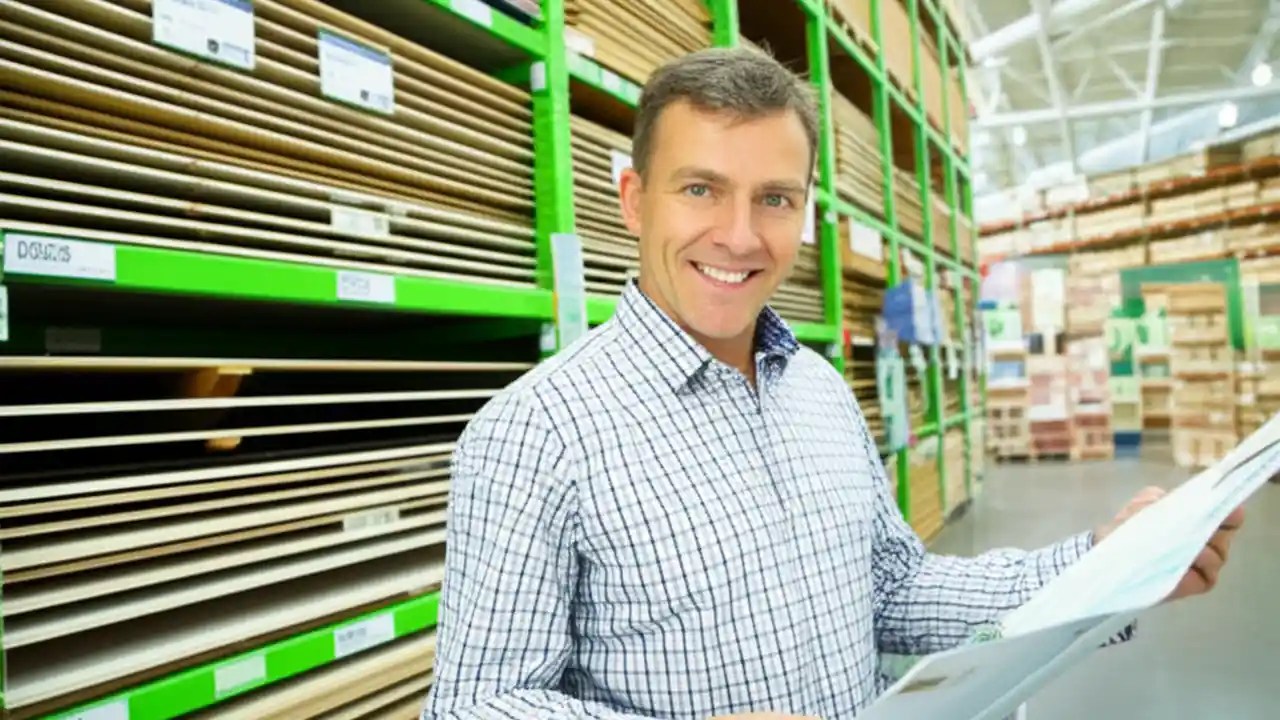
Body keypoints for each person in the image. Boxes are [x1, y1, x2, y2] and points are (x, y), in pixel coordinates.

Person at [421, 47, 1245, 720]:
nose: (740, 236)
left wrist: (1107, 564)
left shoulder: (816, 389)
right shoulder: (533, 432)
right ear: (635, 201)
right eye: (701, 189)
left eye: (774, 199)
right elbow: (475, 704)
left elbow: (894, 591)